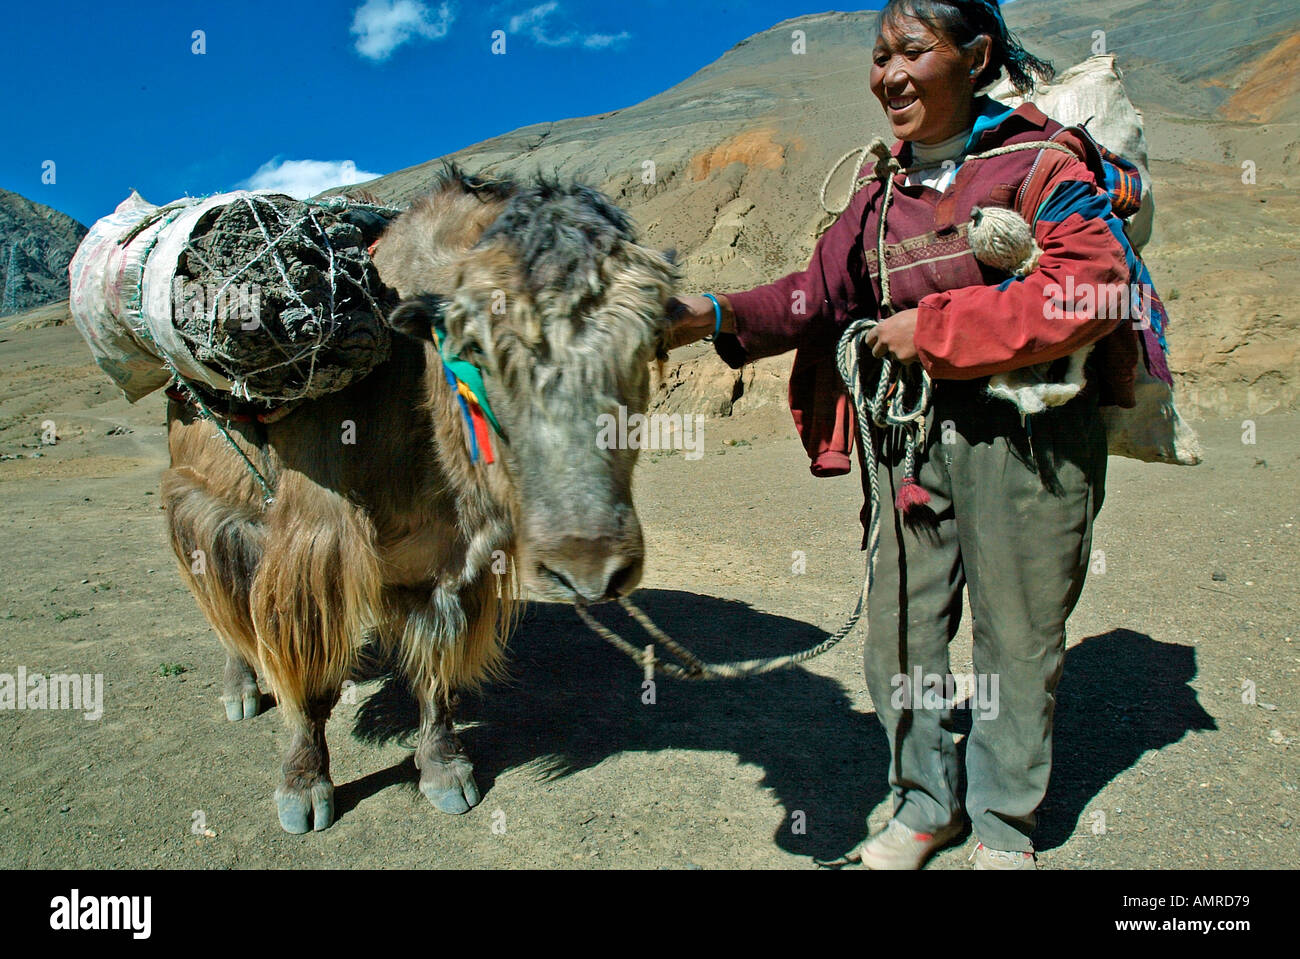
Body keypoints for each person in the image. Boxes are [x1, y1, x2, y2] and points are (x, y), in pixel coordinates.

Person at [668, 0, 1142, 869]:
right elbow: (811, 296)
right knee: (901, 630)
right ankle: (926, 803)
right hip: (908, 446)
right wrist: (715, 313)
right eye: (880, 56)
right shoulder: (878, 194)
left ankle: (1005, 823)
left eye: (912, 52)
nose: (888, 75)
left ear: (977, 55)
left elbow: (1095, 287)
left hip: (1029, 438)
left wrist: (930, 332)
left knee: (1018, 634)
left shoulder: (1039, 164)